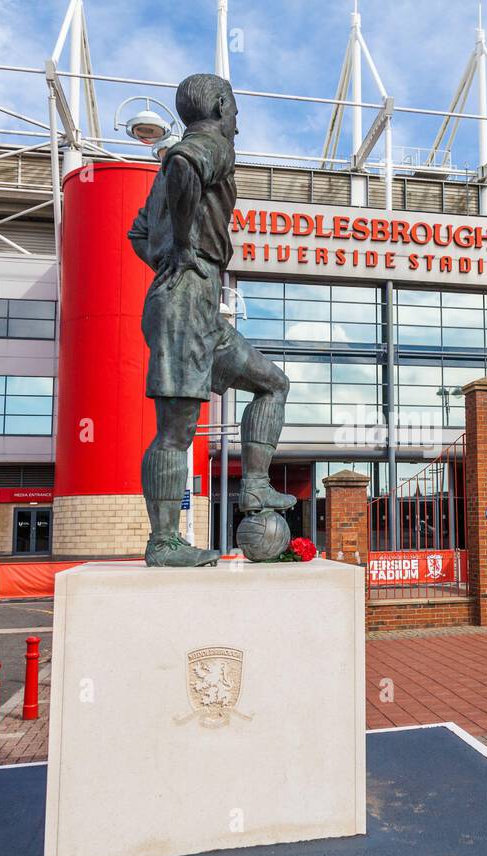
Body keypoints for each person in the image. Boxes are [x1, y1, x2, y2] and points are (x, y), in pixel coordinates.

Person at [129, 73, 295, 567]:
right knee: (176, 431)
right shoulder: (209, 144)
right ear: (222, 104)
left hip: (192, 299)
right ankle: (163, 542)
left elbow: (138, 235)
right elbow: (184, 164)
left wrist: (169, 258)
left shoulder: (172, 168)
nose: (238, 124)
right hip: (185, 301)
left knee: (272, 383)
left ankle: (257, 487)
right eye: (237, 111)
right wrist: (182, 249)